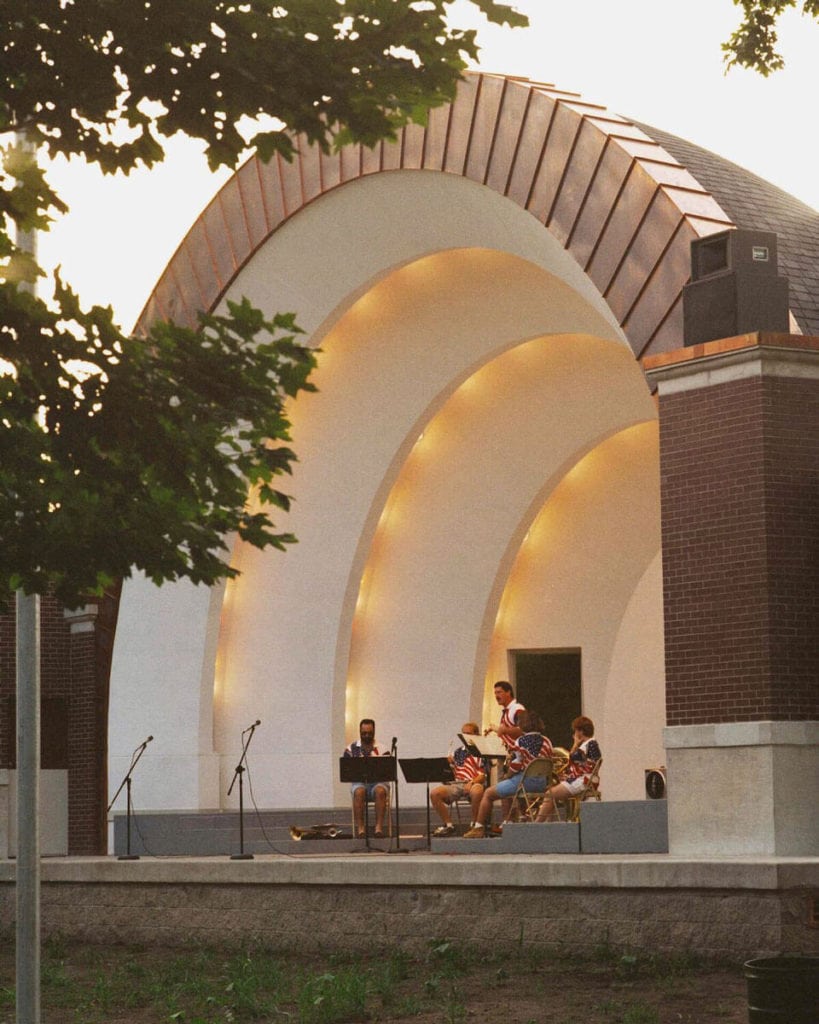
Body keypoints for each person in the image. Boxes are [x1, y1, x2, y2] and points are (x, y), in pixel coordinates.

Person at [465, 710, 552, 837]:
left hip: (524, 782)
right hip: (542, 784)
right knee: (514, 790)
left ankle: (478, 827)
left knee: (489, 793)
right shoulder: (547, 741)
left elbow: (516, 765)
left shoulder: (521, 741)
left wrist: (508, 775)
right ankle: (522, 817)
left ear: (522, 724)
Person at [536, 715, 602, 822]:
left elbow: (572, 757)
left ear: (580, 732)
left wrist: (575, 743)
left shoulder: (587, 745)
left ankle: (537, 824)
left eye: (575, 731)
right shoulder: (592, 744)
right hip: (586, 780)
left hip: (582, 781)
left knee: (549, 794)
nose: (574, 734)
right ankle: (547, 823)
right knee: (553, 793)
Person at [430, 722, 486, 836]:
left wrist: (472, 782)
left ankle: (475, 824)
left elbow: (483, 775)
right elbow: (454, 774)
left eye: (468, 733)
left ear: (476, 734)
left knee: (477, 791)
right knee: (434, 793)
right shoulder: (458, 752)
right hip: (457, 783)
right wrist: (448, 766)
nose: (465, 736)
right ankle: (449, 825)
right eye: (463, 734)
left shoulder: (482, 750)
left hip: (473, 781)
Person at [343, 718, 390, 838]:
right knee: (359, 791)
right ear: (360, 732)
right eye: (364, 733)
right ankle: (361, 829)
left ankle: (378, 828)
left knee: (380, 791)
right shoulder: (351, 749)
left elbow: (388, 772)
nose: (367, 736)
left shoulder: (383, 749)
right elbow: (346, 771)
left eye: (370, 733)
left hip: (378, 783)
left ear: (374, 732)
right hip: (360, 782)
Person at [483, 680, 525, 751]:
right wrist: (496, 729)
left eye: (499, 692)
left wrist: (504, 730)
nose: (496, 696)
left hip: (517, 754)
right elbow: (509, 731)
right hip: (507, 753)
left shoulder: (517, 708)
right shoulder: (507, 710)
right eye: (495, 693)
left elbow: (523, 731)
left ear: (508, 692)